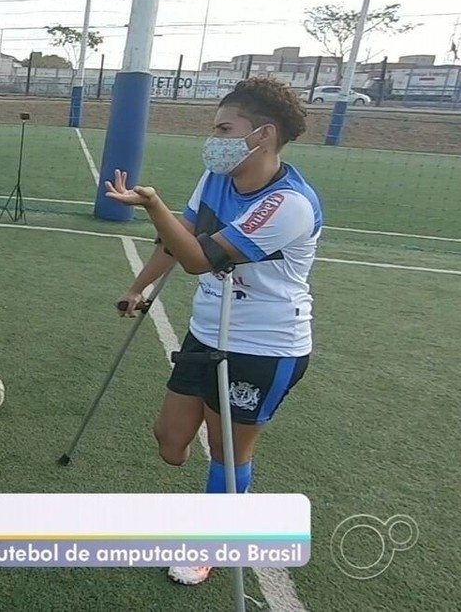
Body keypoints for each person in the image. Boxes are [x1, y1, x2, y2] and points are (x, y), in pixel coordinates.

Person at [104, 76, 322, 586]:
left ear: (262, 135)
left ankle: (213, 538)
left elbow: (200, 259)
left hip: (265, 347)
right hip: (208, 332)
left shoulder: (289, 203)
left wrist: (152, 201)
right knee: (170, 443)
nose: (215, 138)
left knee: (227, 452)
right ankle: (232, 497)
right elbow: (180, 239)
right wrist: (137, 288)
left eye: (225, 128)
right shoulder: (216, 177)